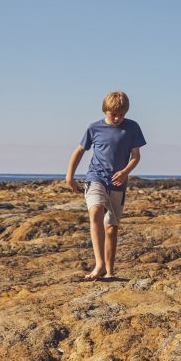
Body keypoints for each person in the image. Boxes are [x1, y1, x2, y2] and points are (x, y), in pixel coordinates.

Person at [65, 91, 147, 281]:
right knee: (95, 210)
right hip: (96, 177)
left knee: (111, 228)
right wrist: (70, 176)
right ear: (105, 110)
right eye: (113, 114)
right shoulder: (94, 128)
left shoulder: (132, 128)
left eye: (121, 114)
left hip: (118, 183)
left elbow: (136, 156)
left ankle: (109, 271)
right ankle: (99, 264)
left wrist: (126, 171)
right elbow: (79, 151)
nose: (118, 118)